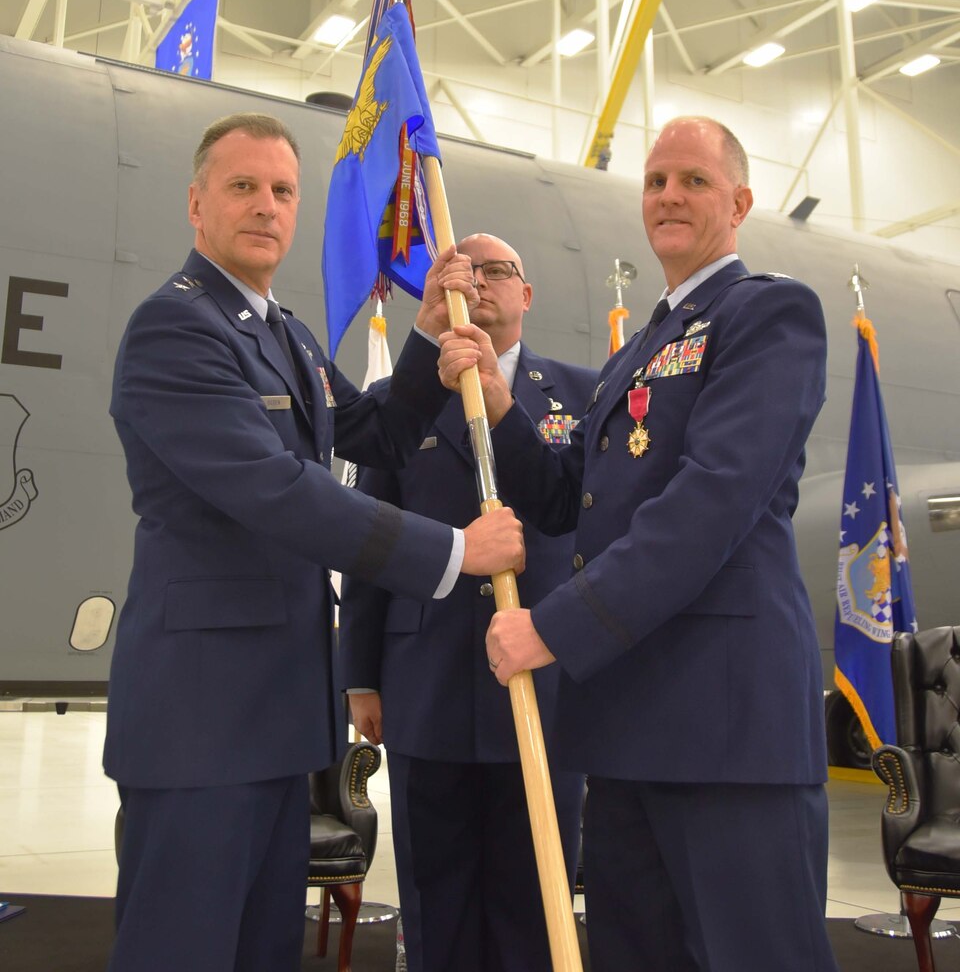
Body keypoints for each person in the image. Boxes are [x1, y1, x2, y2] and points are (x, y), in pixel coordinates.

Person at [104, 113, 525, 972]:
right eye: (243, 186)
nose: (266, 206)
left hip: (276, 717)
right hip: (199, 721)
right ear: (196, 203)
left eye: (283, 191)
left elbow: (372, 431)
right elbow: (280, 493)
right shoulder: (176, 330)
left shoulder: (284, 335)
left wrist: (429, 347)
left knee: (260, 950)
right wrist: (453, 554)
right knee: (180, 950)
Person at [439, 117, 839, 972]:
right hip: (625, 729)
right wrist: (502, 407)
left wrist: (553, 628)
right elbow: (566, 496)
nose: (667, 196)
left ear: (739, 201)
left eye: (692, 181)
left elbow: (708, 504)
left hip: (725, 731)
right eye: (656, 181)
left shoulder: (768, 313)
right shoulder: (643, 348)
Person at [339, 233, 595, 972]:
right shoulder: (399, 404)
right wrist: (361, 673)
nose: (479, 281)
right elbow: (369, 541)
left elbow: (588, 530)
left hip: (546, 684)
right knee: (435, 892)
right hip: (427, 682)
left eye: (498, 271)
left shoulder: (581, 396)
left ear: (526, 294)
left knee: (535, 889)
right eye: (463, 270)